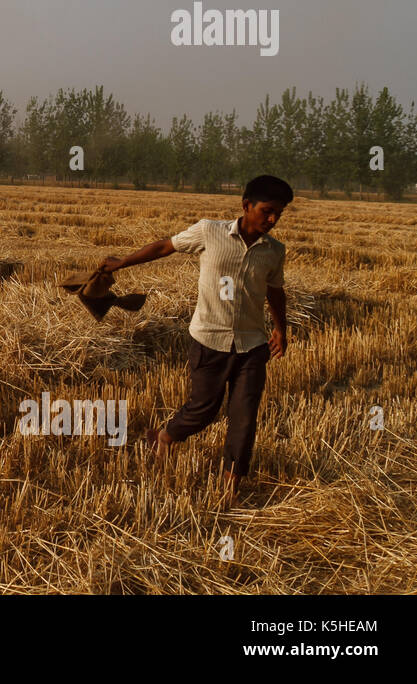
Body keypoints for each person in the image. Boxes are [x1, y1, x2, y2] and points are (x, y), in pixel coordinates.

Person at [97, 175, 292, 507]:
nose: (272, 220)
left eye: (279, 214)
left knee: (244, 417)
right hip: (209, 339)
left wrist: (280, 329)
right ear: (246, 205)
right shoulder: (210, 232)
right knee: (202, 411)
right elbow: (165, 246)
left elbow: (275, 291)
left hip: (252, 345)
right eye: (267, 211)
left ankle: (231, 486)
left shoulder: (274, 251)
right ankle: (164, 436)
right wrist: (123, 262)